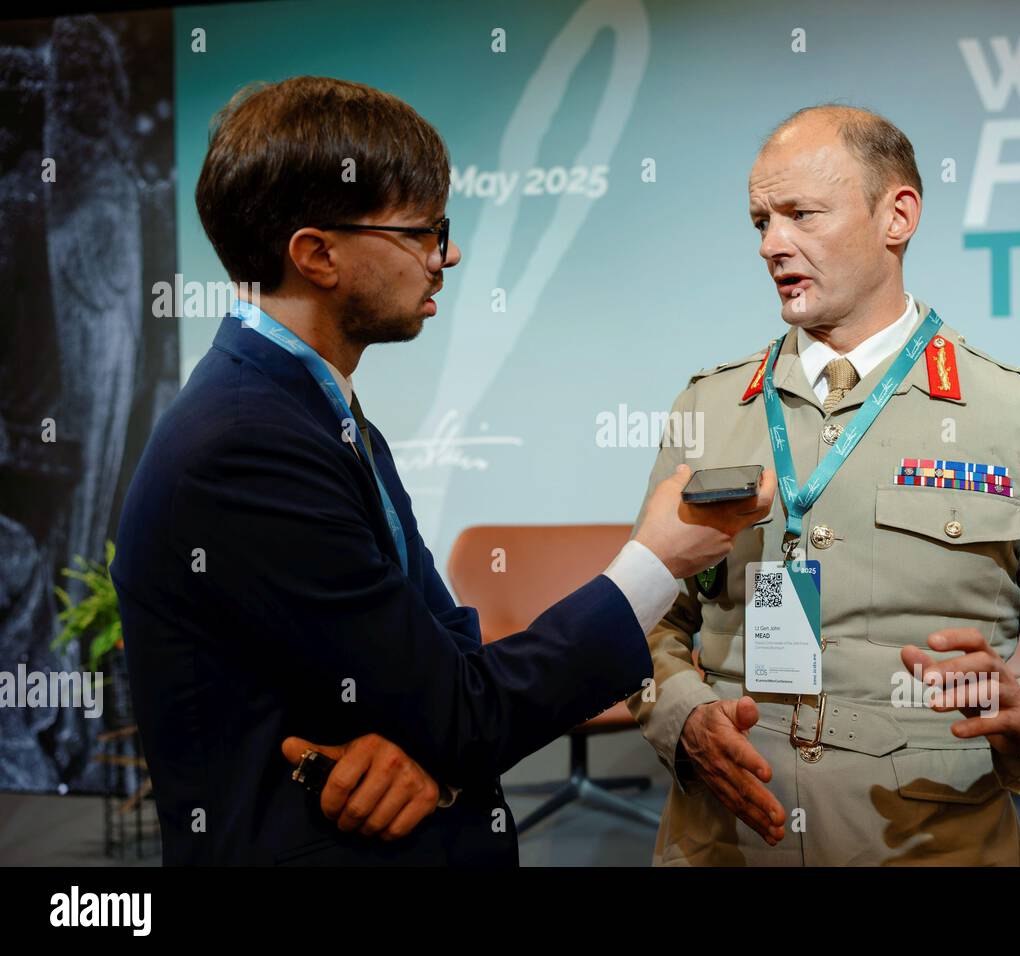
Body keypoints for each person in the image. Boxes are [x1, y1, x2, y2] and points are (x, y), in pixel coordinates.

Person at [110, 76, 774, 866]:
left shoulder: (322, 413)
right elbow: (462, 713)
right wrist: (658, 561)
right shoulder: (246, 445)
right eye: (423, 232)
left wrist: (430, 751)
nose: (445, 255)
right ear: (317, 255)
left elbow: (446, 665)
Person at [626, 105, 1020, 866]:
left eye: (802, 213)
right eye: (760, 221)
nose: (773, 244)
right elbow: (646, 622)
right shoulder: (707, 408)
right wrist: (683, 718)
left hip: (927, 839)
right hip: (727, 839)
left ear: (897, 215)